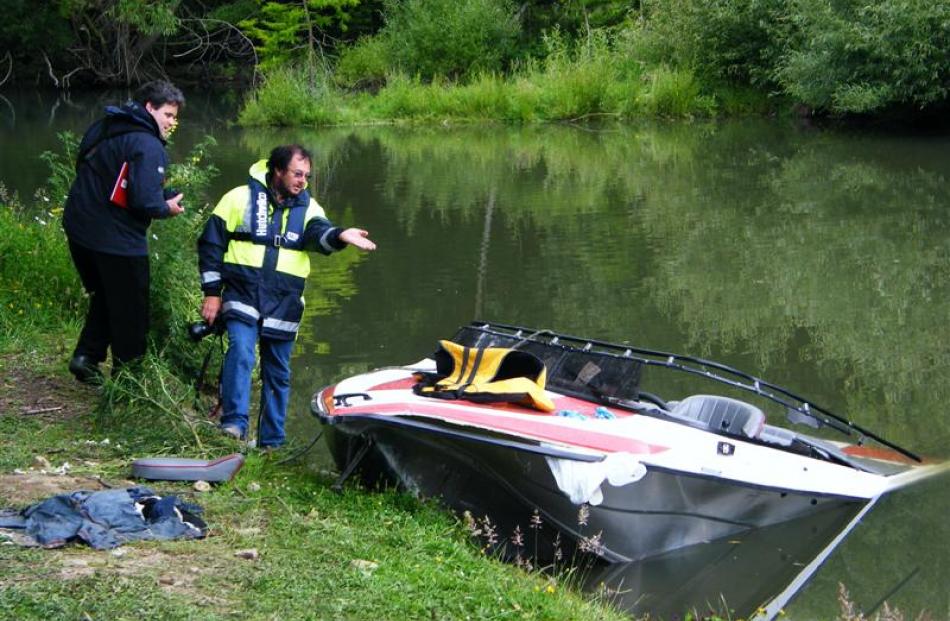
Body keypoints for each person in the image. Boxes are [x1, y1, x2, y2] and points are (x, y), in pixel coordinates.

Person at [197, 145, 376, 448]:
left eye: (306, 175)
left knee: (278, 373)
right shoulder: (238, 197)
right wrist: (212, 294)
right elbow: (210, 246)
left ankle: (271, 443)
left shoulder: (309, 208)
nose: (302, 181)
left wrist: (340, 235)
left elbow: (319, 233)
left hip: (284, 302)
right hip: (242, 293)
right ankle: (234, 425)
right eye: (297, 173)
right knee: (241, 352)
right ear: (277, 170)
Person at [64, 80, 186, 384]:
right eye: (168, 115)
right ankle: (129, 384)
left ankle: (86, 358)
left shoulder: (108, 125)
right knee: (131, 310)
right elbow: (145, 201)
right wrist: (166, 207)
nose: (172, 122)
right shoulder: (147, 144)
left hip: (80, 230)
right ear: (149, 107)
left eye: (174, 117)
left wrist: (158, 194)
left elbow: (100, 173)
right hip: (116, 240)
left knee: (107, 294)